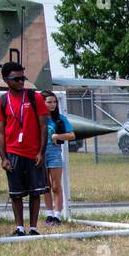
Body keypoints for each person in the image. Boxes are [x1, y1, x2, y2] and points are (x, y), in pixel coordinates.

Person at [0, 61, 49, 236]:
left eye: (22, 78)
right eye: (16, 79)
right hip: (13, 152)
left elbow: (44, 126)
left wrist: (41, 152)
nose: (20, 81)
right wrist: (4, 158)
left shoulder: (35, 98)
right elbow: (0, 131)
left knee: (35, 191)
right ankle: (19, 227)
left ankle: (33, 227)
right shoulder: (2, 101)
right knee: (16, 193)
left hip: (33, 153)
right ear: (6, 80)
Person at [41, 90, 75, 225]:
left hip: (54, 153)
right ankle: (49, 214)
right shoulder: (39, 119)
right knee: (45, 186)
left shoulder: (60, 119)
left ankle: (57, 215)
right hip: (41, 154)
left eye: (54, 102)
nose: (52, 104)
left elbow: (72, 135)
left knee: (56, 185)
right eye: (49, 102)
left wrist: (58, 136)